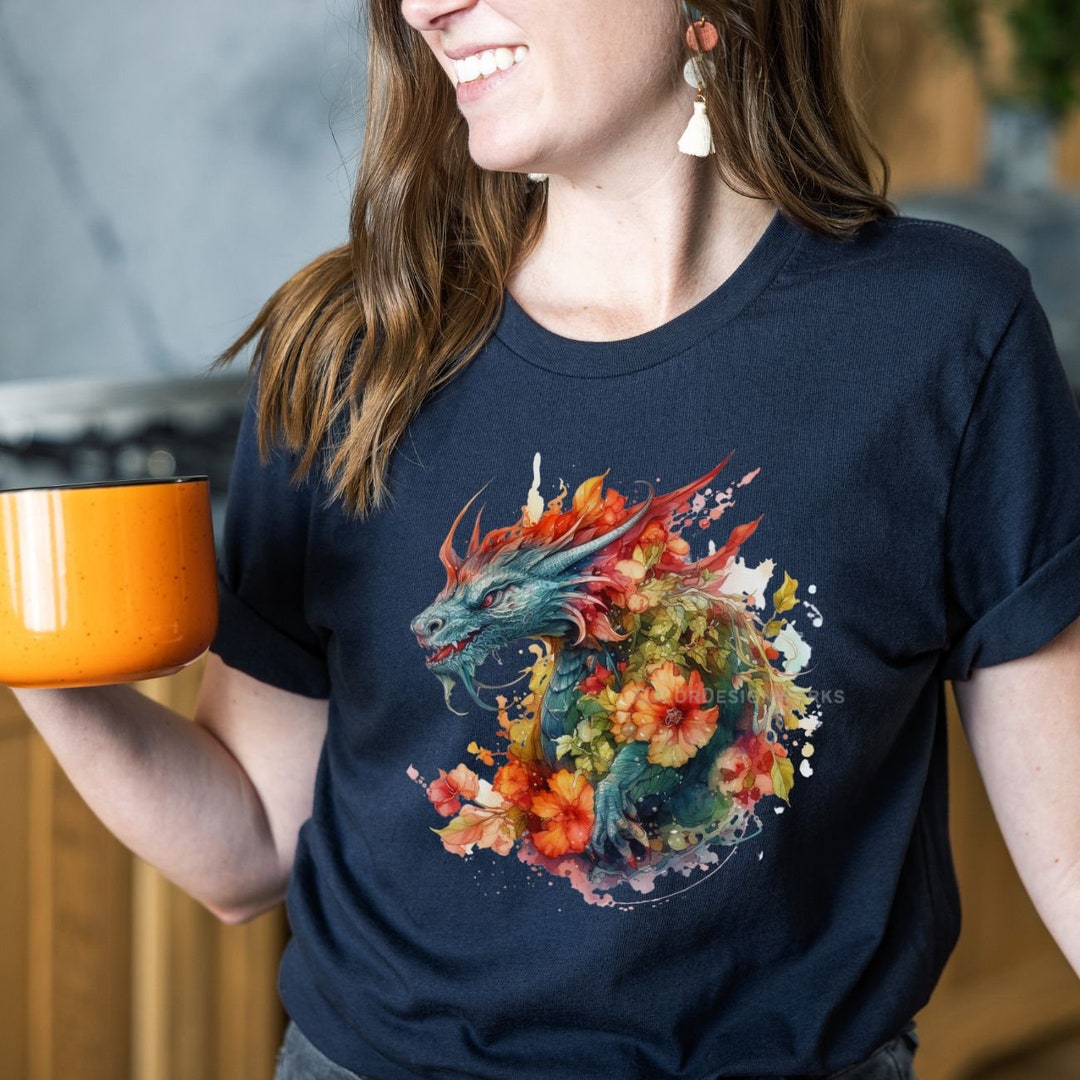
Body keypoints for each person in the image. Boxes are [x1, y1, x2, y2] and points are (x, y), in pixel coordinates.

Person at [11, 0, 1080, 1077]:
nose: (425, 7)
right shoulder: (352, 353)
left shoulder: (942, 333)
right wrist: (30, 653)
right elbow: (246, 849)